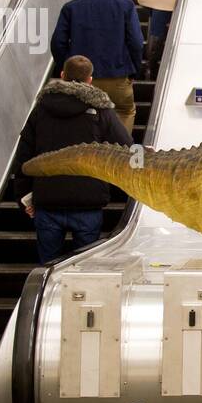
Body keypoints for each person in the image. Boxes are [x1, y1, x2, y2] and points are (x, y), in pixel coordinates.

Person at [15, 55, 133, 264]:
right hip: (88, 203)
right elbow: (126, 149)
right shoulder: (101, 110)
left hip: (48, 201)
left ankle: (46, 296)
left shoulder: (41, 109)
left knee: (49, 266)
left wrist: (24, 197)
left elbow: (24, 155)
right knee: (84, 268)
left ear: (62, 76)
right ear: (90, 80)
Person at [50, 0, 143, 135]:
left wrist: (68, 70)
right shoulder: (125, 5)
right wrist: (133, 70)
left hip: (80, 79)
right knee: (124, 111)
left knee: (80, 115)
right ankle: (118, 156)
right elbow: (137, 42)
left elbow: (58, 43)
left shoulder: (71, 8)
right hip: (117, 77)